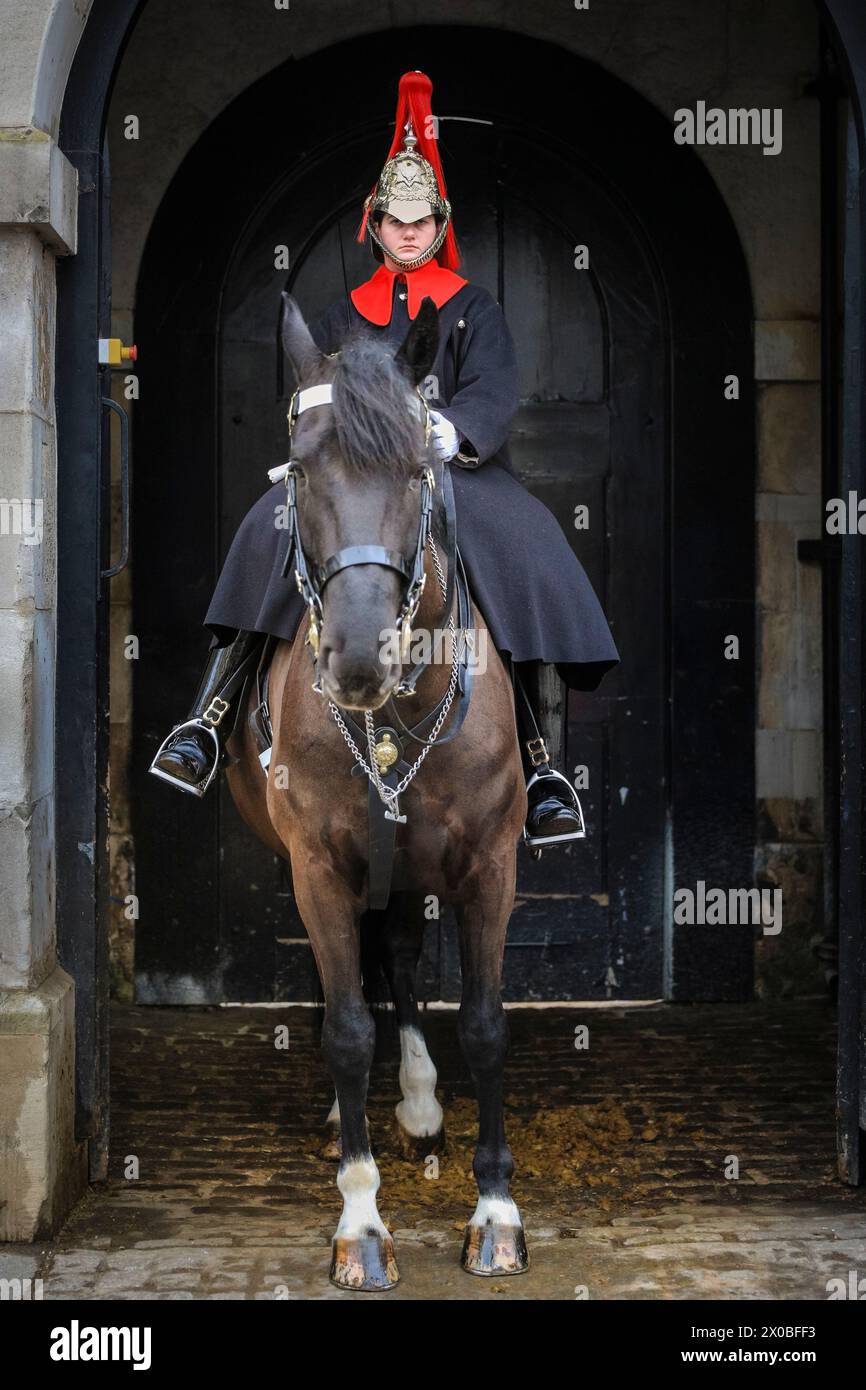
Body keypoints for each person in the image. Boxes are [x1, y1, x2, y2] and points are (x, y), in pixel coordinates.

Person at [150, 70, 620, 851]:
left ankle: (541, 768)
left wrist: (453, 430)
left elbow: (496, 389)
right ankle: (206, 721)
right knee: (266, 529)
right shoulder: (344, 312)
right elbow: (317, 387)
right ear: (376, 224)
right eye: (395, 223)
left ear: (440, 223)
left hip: (454, 468)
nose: (408, 234)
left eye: (421, 221)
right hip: (357, 472)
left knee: (530, 544)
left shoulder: (475, 307)